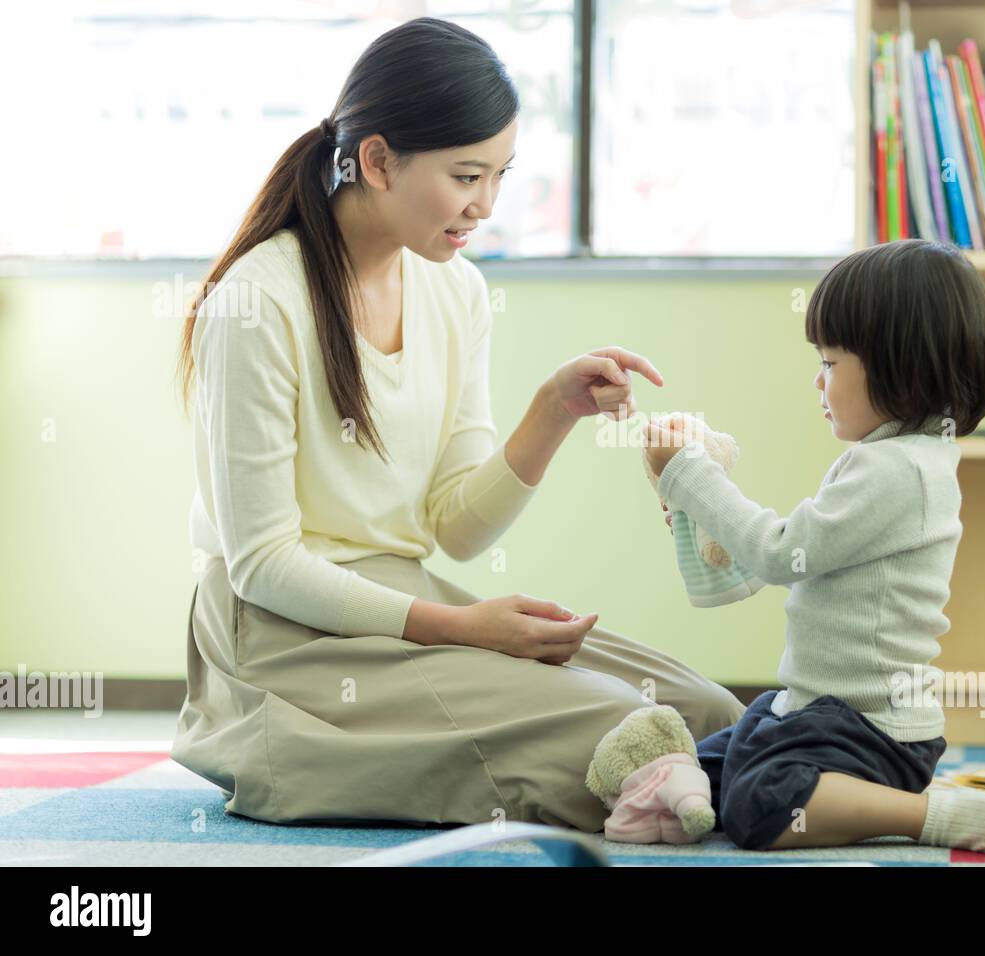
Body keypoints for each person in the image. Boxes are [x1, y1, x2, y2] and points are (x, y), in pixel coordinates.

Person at [170, 17, 743, 830]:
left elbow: (457, 528)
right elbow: (263, 565)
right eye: (467, 174)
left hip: (405, 603)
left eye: (502, 174)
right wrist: (464, 628)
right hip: (281, 633)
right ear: (375, 159)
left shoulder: (457, 290)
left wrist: (553, 412)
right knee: (614, 726)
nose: (486, 204)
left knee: (706, 709)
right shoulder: (256, 302)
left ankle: (670, 781)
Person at [644, 239, 985, 855]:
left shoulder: (897, 472)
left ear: (898, 364)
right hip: (821, 710)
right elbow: (770, 563)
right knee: (693, 765)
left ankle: (924, 815)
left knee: (760, 805)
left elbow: (776, 552)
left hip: (873, 729)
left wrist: (693, 479)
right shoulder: (889, 459)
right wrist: (696, 516)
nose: (816, 380)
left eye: (830, 362)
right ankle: (825, 794)